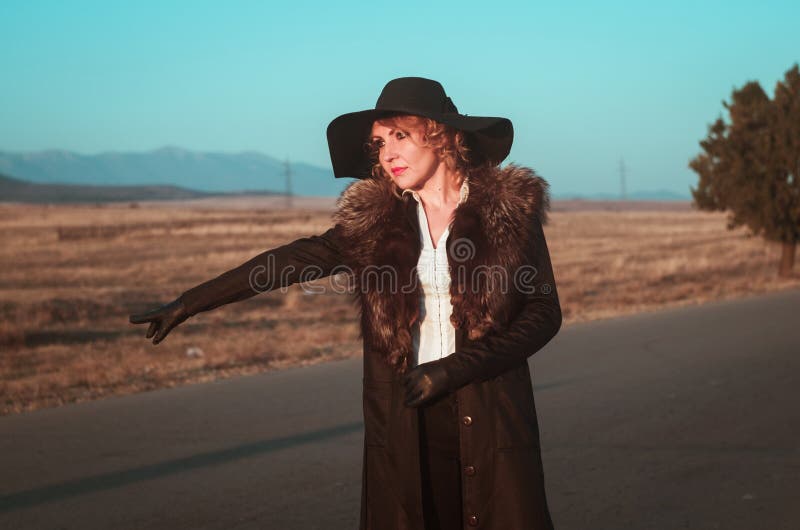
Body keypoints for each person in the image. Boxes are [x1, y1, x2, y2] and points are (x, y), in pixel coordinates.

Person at [130, 77, 562, 530]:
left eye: (400, 136)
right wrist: (190, 302)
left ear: (442, 136)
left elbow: (544, 312)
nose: (387, 154)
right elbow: (294, 260)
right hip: (405, 411)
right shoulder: (377, 222)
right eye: (379, 143)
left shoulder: (507, 213)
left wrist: (457, 368)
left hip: (490, 408)